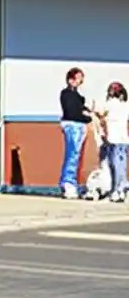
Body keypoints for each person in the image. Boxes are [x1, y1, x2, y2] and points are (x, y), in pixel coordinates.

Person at [60, 67, 94, 199]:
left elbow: (80, 108)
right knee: (72, 155)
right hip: (73, 125)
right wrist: (87, 118)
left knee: (75, 155)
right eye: (78, 78)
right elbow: (72, 112)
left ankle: (69, 183)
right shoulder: (67, 94)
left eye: (81, 78)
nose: (80, 81)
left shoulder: (77, 96)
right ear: (70, 79)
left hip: (78, 126)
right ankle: (68, 184)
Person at [98, 82, 129, 202]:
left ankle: (115, 190)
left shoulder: (109, 105)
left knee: (114, 165)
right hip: (124, 139)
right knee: (122, 165)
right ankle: (122, 188)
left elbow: (101, 117)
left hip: (113, 138)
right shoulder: (125, 105)